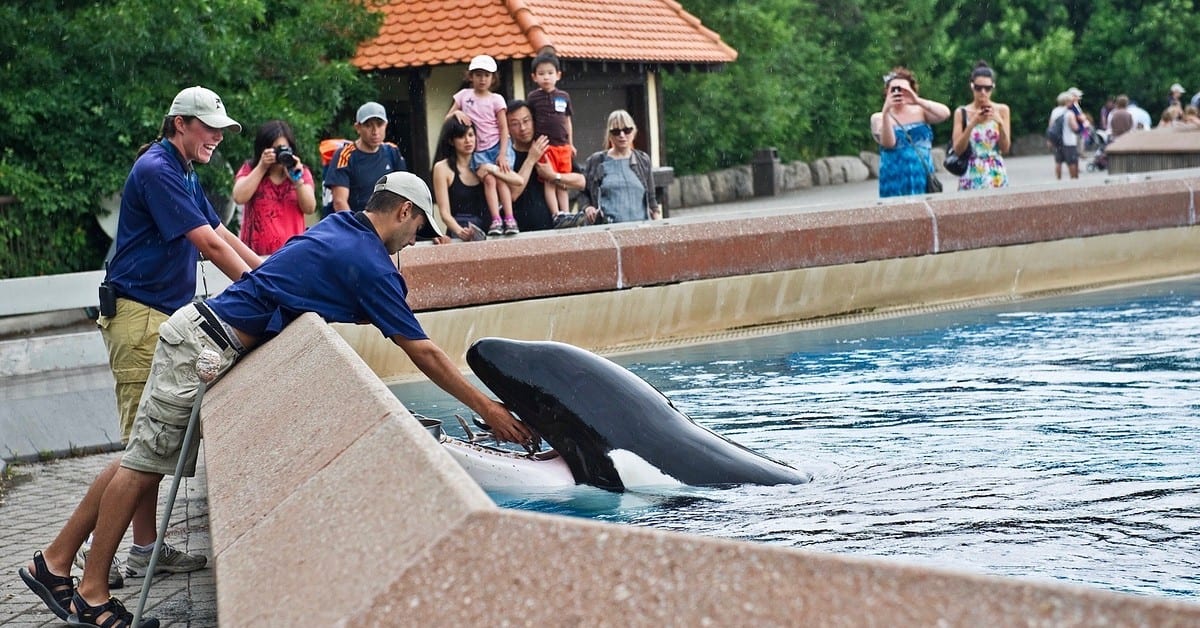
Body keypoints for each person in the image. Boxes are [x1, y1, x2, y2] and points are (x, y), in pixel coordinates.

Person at [18, 172, 535, 628]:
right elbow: (422, 350)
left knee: (139, 460)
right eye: (417, 227)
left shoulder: (343, 229)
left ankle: (55, 562)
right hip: (202, 344)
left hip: (199, 333)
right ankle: (89, 591)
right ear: (404, 211)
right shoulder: (367, 260)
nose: (413, 238)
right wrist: (488, 408)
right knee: (145, 468)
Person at [73, 86, 263, 599]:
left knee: (154, 447)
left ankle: (144, 548)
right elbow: (205, 243)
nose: (218, 137)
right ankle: (88, 556)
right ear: (179, 123)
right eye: (209, 126)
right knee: (141, 451)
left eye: (222, 128)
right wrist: (262, 289)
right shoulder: (158, 169)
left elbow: (220, 231)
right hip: (138, 318)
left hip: (158, 314)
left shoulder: (182, 170)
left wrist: (266, 271)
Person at [446, 54, 518, 235]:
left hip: (496, 146)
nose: (482, 79)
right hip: (479, 150)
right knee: (489, 180)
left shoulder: (496, 99)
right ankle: (496, 219)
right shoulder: (464, 96)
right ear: (470, 76)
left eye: (487, 75)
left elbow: (503, 129)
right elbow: (447, 117)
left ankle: (509, 218)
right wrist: (457, 114)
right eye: (478, 74)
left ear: (493, 77)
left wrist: (502, 153)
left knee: (502, 180)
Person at [231, 120, 317, 254]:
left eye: (284, 149)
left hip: (291, 254)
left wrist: (297, 180)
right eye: (275, 150)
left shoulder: (301, 172)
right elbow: (238, 197)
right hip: (254, 255)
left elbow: (310, 208)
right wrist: (262, 167)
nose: (279, 154)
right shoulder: (251, 169)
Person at [431, 117, 523, 242]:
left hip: (491, 232)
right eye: (461, 136)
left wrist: (491, 168)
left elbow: (518, 181)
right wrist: (459, 231)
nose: (468, 140)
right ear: (451, 141)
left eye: (471, 135)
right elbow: (444, 212)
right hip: (460, 233)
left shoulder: (484, 162)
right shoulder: (442, 168)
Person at [869, 67, 950, 198]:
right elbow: (889, 143)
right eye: (894, 89)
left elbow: (945, 113)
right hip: (894, 176)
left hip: (922, 175)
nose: (898, 93)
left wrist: (917, 100)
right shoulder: (878, 117)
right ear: (886, 92)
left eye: (903, 89)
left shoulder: (920, 111)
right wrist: (886, 111)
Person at [506, 99, 587, 230]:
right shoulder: (507, 156)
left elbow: (581, 182)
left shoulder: (550, 148)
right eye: (515, 124)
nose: (522, 128)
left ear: (534, 120)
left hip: (555, 230)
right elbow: (512, 194)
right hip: (520, 232)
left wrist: (553, 175)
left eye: (526, 121)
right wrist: (531, 159)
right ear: (507, 128)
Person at [578, 110, 661, 223]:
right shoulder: (596, 161)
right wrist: (587, 207)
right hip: (607, 230)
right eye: (616, 131)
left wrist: (659, 225)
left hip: (640, 228)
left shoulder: (643, 160)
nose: (622, 135)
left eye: (627, 130)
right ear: (609, 134)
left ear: (633, 132)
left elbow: (651, 199)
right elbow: (583, 192)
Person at [325, 101, 406, 213]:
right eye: (368, 125)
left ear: (386, 125)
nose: (375, 131)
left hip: (386, 223)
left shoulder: (392, 152)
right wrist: (355, 228)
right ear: (358, 127)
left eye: (379, 125)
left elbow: (403, 192)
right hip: (356, 222)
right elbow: (339, 201)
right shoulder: (345, 155)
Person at [526, 48, 575, 220]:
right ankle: (556, 214)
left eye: (550, 73)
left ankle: (566, 213)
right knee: (549, 180)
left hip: (563, 146)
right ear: (534, 77)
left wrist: (570, 143)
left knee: (562, 181)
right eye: (541, 73)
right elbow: (530, 120)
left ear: (558, 75)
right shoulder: (532, 98)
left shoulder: (564, 96)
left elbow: (567, 120)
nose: (546, 77)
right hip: (545, 145)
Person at [950, 61, 1010, 191]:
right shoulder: (962, 112)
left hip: (995, 170)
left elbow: (1005, 148)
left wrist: (999, 122)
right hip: (971, 170)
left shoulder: (1002, 110)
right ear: (972, 87)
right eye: (978, 88)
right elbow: (958, 149)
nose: (983, 92)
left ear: (992, 88)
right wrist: (972, 123)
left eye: (987, 88)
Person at [1051, 90, 1087, 180]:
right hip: (1069, 141)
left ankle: (1058, 180)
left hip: (1057, 141)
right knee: (1072, 162)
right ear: (1066, 101)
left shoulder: (1054, 111)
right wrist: (1083, 128)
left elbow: (1051, 126)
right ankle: (1073, 180)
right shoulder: (1069, 113)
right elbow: (1074, 127)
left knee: (1058, 161)